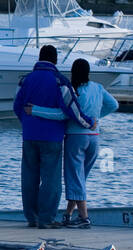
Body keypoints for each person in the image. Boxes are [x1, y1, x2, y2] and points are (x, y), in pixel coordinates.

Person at [30, 57, 118, 228]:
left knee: (74, 178)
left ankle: (84, 218)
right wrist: (96, 118)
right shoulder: (98, 88)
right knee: (80, 179)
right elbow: (113, 104)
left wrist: (35, 110)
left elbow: (62, 114)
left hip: (76, 137)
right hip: (95, 136)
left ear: (73, 72)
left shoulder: (73, 90)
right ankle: (69, 214)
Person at [13, 45, 93, 228]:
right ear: (55, 60)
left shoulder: (25, 80)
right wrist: (88, 122)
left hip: (29, 136)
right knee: (51, 179)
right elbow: (72, 109)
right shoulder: (60, 81)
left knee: (29, 177)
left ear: (39, 58)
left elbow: (17, 106)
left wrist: (27, 122)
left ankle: (31, 218)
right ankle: (46, 219)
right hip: (52, 137)